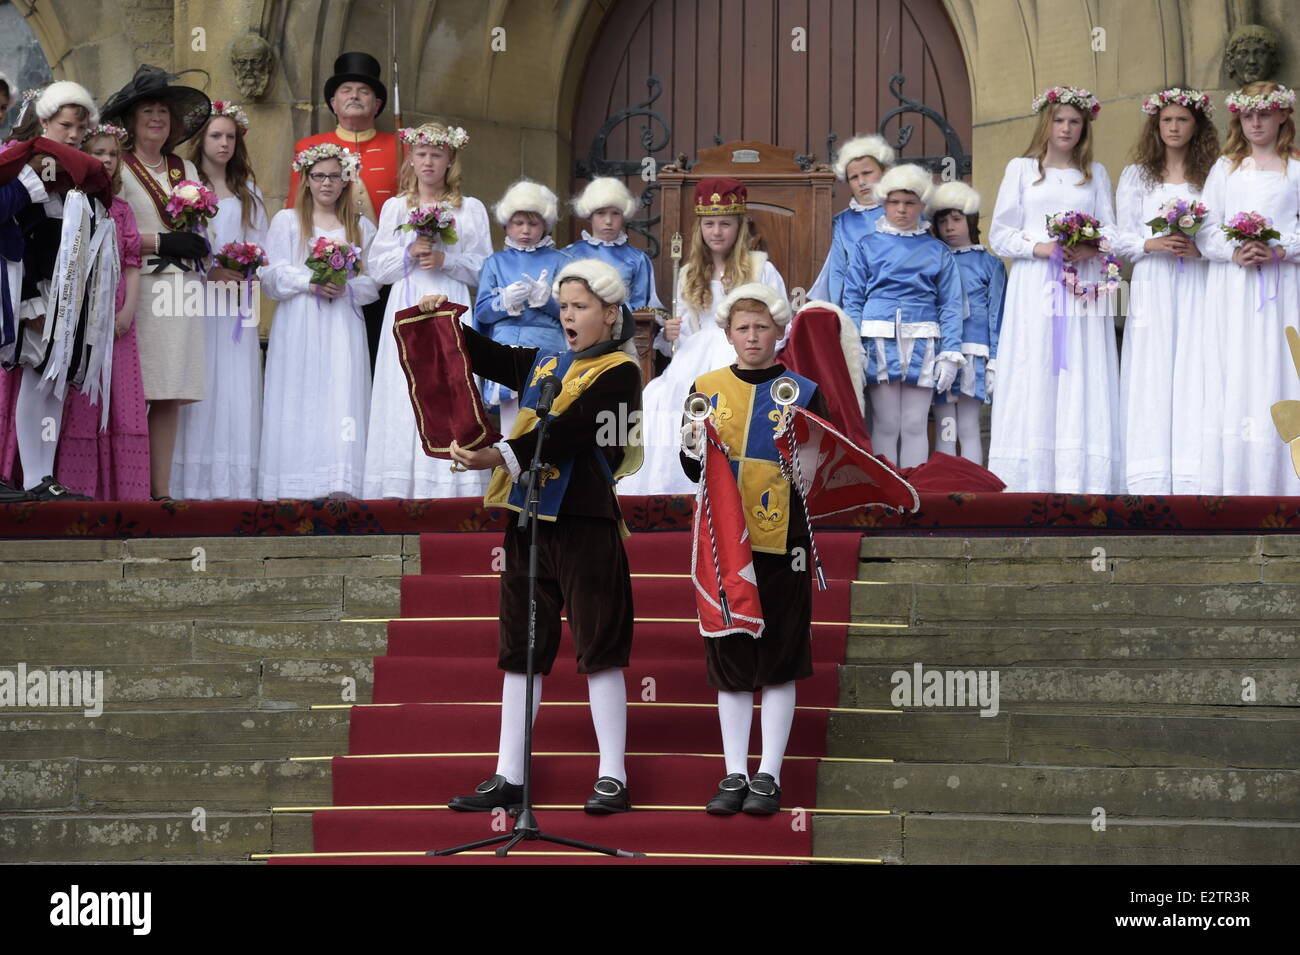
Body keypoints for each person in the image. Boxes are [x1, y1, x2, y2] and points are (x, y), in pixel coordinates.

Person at [435, 258, 642, 815]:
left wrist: (499, 453)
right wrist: (441, 323)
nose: (567, 316)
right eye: (564, 306)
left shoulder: (620, 372)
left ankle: (613, 776)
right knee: (519, 649)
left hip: (586, 523)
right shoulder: (546, 361)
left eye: (579, 307)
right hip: (527, 519)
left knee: (598, 646)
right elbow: (486, 355)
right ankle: (509, 775)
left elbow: (574, 433)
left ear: (610, 313)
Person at [678, 283, 830, 815]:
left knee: (781, 657)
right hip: (722, 541)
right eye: (741, 327)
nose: (751, 336)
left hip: (783, 540)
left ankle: (769, 775)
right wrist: (695, 445)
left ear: (780, 331)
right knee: (732, 654)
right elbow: (691, 468)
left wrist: (800, 456)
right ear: (726, 333)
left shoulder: (804, 391)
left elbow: (819, 472)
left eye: (761, 326)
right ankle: (734, 773)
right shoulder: (706, 386)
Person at [987, 86, 1121, 493]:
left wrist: (1091, 244)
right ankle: (1029, 474)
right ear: (1045, 123)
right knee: (1036, 363)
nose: (1066, 128)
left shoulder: (1095, 174)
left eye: (1074, 122)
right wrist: (1042, 247)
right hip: (1036, 283)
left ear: (1085, 127)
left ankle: (1080, 474)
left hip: (1083, 283)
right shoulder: (1022, 169)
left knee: (1082, 365)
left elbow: (1113, 230)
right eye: (1059, 120)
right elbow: (1001, 234)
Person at [619, 177, 787, 495]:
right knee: (657, 399)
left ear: (739, 226)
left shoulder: (761, 269)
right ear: (700, 228)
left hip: (741, 355)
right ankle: (671, 485)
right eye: (709, 224)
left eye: (725, 223)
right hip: (693, 357)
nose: (717, 232)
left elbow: (780, 325)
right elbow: (686, 334)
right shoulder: (689, 273)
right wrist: (672, 333)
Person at [100, 64, 212, 501]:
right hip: (135, 288)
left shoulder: (184, 168)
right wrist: (163, 241)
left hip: (179, 290)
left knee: (169, 391)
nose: (156, 119)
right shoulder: (118, 168)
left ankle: (160, 490)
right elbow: (111, 232)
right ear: (131, 120)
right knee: (132, 389)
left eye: (163, 112)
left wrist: (196, 243)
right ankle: (124, 487)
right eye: (147, 110)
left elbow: (201, 232)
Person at [363, 122, 492, 499]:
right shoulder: (395, 207)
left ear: (450, 159)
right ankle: (399, 481)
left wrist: (445, 259)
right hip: (407, 298)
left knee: (451, 383)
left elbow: (485, 268)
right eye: (421, 154)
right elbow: (377, 269)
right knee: (405, 385)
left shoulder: (470, 208)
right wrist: (409, 253)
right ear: (411, 159)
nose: (429, 162)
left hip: (451, 299)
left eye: (437, 154)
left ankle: (454, 479)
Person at [0, 81, 108, 502]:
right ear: (44, 121)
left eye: (80, 128)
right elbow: (19, 237)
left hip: (67, 290)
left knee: (55, 377)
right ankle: (33, 478)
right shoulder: (24, 164)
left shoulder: (76, 173)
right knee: (37, 374)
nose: (73, 135)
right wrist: (28, 301)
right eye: (65, 125)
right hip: (35, 286)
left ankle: (44, 477)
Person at [1196, 82, 1300, 496]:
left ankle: (1286, 476)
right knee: (1239, 366)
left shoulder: (1295, 165)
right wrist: (1233, 252)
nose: (1256, 123)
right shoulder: (1227, 168)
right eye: (1248, 115)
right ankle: (1239, 481)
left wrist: (1280, 249)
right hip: (1236, 288)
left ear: (1281, 116)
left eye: (1264, 114)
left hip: (1285, 285)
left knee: (1282, 364)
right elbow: (1206, 227)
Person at [258, 144, 379, 499]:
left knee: (341, 393)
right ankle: (291, 481)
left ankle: (338, 481)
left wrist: (347, 288)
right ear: (306, 180)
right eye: (319, 176)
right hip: (299, 322)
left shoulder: (360, 227)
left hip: (343, 323)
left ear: (346, 182)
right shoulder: (288, 221)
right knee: (298, 393)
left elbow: (374, 284)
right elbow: (270, 276)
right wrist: (308, 283)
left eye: (335, 176)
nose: (327, 183)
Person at [1113, 89, 1218, 495]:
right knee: (1153, 365)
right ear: (1156, 127)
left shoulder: (1213, 175)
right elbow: (1121, 239)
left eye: (1182, 120)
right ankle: (1149, 472)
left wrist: (1199, 248)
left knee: (1195, 363)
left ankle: (1195, 471)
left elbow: (1220, 233)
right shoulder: (1138, 175)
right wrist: (1152, 244)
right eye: (1167, 121)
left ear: (1197, 126)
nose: (1174, 128)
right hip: (1154, 280)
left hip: (1195, 280)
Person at [171, 101, 268, 500]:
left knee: (235, 381)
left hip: (238, 301)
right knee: (200, 379)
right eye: (216, 135)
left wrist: (247, 268)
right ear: (201, 139)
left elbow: (262, 246)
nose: (224, 143)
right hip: (196, 298)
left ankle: (233, 483)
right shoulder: (187, 189)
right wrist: (208, 270)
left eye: (230, 136)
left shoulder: (250, 194)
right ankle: (189, 481)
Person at [843, 164, 965, 468]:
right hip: (877, 341)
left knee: (913, 423)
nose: (901, 209)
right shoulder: (866, 246)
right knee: (885, 423)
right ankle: (887, 496)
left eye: (909, 203)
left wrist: (951, 351)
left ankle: (915, 495)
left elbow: (950, 303)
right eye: (895, 202)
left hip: (923, 341)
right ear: (884, 202)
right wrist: (853, 344)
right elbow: (853, 298)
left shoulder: (937, 251)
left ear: (921, 205)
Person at [52, 122, 149, 500]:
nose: (106, 160)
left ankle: (124, 491)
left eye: (112, 154)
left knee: (121, 399)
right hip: (78, 316)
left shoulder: (121, 209)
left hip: (118, 320)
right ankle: (77, 487)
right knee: (81, 398)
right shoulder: (70, 204)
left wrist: (127, 311)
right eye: (99, 152)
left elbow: (132, 262)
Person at [287, 52, 398, 373]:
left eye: (363, 91)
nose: (354, 96)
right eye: (346, 90)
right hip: (323, 274)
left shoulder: (399, 147)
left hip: (382, 271)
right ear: (333, 103)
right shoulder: (309, 147)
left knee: (378, 356)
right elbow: (296, 207)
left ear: (377, 104)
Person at [472, 179, 569, 437]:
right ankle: (511, 476)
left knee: (545, 420)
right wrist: (503, 302)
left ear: (545, 226)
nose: (525, 229)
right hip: (506, 348)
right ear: (507, 225)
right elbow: (481, 312)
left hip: (547, 347)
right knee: (511, 428)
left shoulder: (560, 261)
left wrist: (546, 301)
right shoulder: (495, 262)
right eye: (519, 223)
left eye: (533, 223)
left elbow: (574, 314)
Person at [929, 181, 1006, 466]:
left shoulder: (990, 264)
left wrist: (995, 360)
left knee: (968, 426)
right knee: (945, 426)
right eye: (943, 220)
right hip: (941, 353)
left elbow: (998, 314)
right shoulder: (933, 260)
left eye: (957, 219)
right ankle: (945, 486)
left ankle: (973, 488)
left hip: (975, 352)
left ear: (970, 221)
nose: (950, 226)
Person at [809, 134, 896, 305]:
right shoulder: (842, 222)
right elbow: (837, 271)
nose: (862, 182)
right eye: (854, 177)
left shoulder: (903, 212)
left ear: (884, 171)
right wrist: (839, 313)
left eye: (867, 173)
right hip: (857, 305)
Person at [562, 176, 662, 310]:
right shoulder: (569, 255)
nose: (608, 220)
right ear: (589, 216)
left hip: (624, 327)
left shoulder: (637, 259)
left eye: (615, 213)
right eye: (601, 213)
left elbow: (641, 306)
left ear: (624, 216)